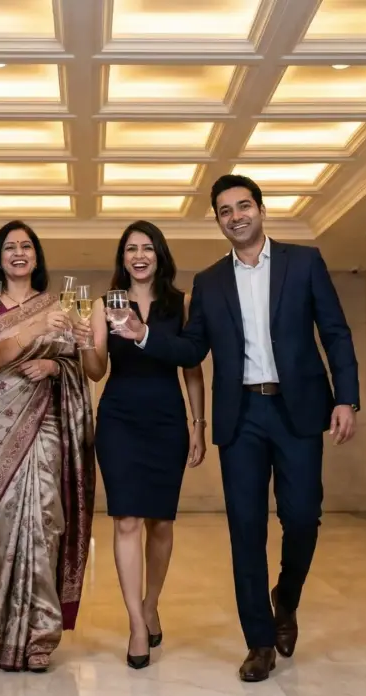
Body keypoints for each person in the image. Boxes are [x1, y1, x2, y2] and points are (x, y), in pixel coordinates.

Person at [112, 174, 359, 683]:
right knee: (245, 529)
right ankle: (259, 641)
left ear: (261, 210)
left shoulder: (303, 262)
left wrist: (346, 397)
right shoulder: (210, 282)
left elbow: (335, 331)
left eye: (243, 206)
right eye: (225, 211)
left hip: (297, 409)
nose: (236, 217)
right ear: (219, 221)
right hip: (241, 415)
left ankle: (285, 597)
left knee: (302, 518)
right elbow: (191, 349)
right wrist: (143, 336)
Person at [0, 220, 96, 672]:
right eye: (9, 247)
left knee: (45, 521)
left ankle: (40, 636)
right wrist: (35, 327)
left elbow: (80, 363)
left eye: (26, 246)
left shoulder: (64, 302)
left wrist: (55, 367)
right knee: (0, 528)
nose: (18, 252)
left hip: (46, 423)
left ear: (37, 256)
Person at [74, 221, 205, 669]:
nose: (139, 256)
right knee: (126, 519)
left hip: (167, 418)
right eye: (131, 249)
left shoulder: (179, 303)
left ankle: (151, 604)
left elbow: (191, 366)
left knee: (161, 523)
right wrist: (84, 345)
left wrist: (198, 424)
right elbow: (97, 370)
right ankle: (135, 622)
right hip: (120, 420)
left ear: (159, 254)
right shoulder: (104, 304)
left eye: (147, 248)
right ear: (123, 258)